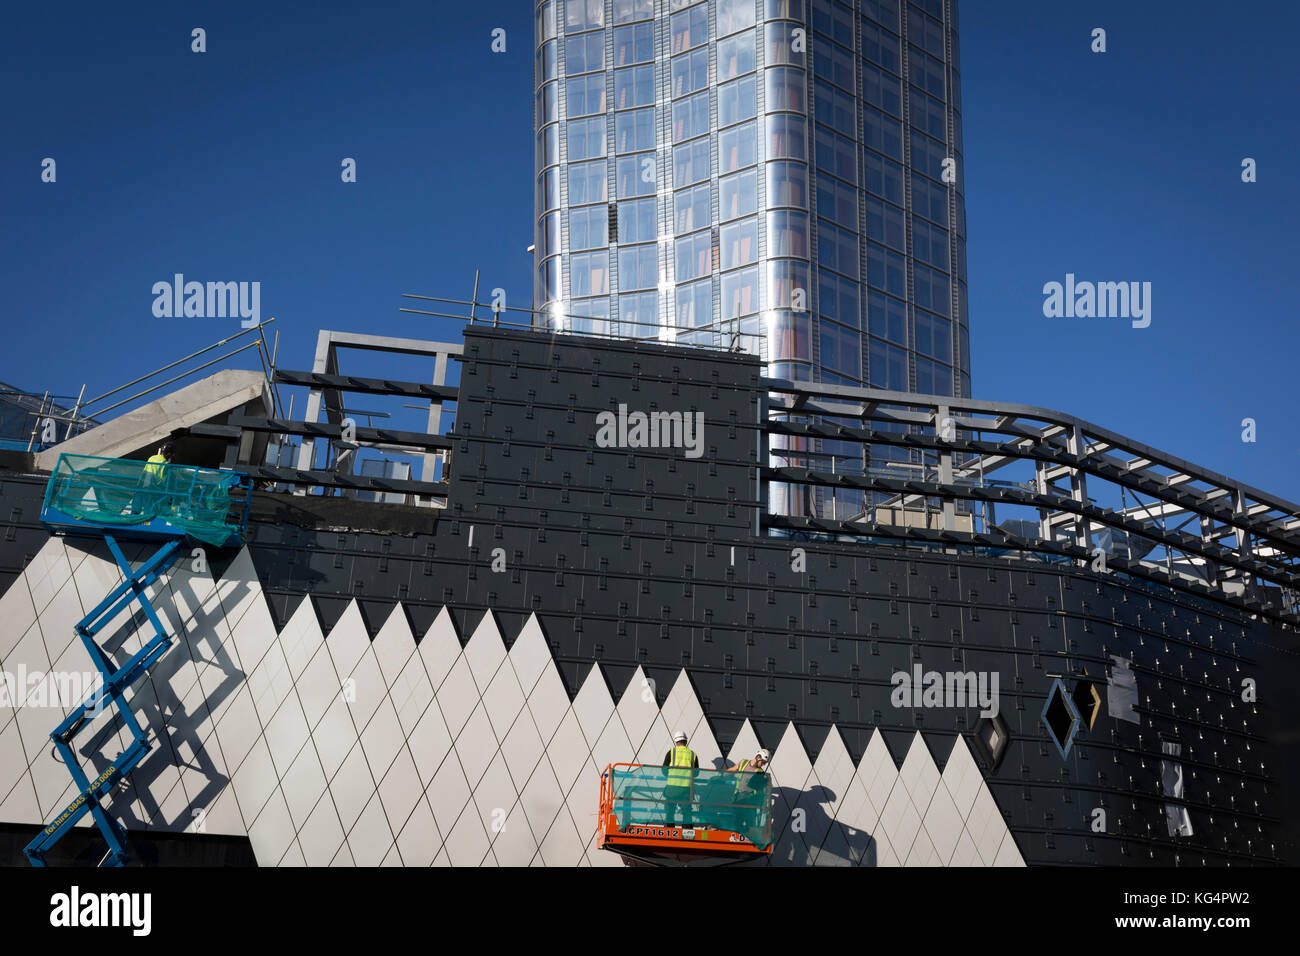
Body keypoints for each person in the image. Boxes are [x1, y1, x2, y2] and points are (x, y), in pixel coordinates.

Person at [661, 730, 698, 827]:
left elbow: (664, 770)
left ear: (675, 741)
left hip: (672, 788)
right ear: (686, 741)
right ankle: (687, 834)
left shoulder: (671, 752)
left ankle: (669, 832)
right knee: (686, 813)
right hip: (686, 789)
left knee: (669, 812)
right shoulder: (692, 754)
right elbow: (697, 773)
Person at [129, 441, 173, 516]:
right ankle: (147, 521)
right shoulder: (166, 464)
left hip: (142, 484)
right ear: (169, 454)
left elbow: (145, 471)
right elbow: (165, 480)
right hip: (153, 488)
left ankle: (133, 517)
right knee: (149, 509)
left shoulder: (152, 458)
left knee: (137, 504)